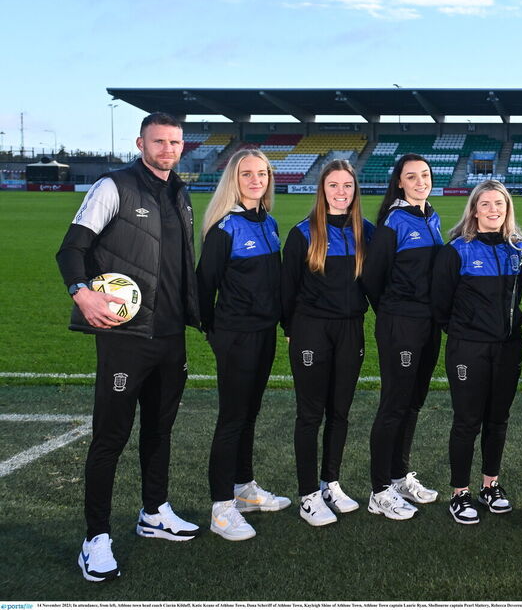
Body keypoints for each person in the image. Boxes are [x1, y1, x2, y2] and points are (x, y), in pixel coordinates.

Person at [56, 112, 201, 581]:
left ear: (183, 147)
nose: (167, 149)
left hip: (171, 336)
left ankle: (154, 512)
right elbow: (71, 249)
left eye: (175, 142)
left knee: (159, 431)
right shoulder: (112, 187)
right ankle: (95, 538)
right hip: (126, 339)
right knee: (110, 439)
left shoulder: (181, 193)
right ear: (141, 143)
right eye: (159, 141)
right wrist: (82, 291)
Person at [197, 148, 292, 541]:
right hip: (235, 336)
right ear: (233, 180)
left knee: (250, 412)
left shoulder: (268, 223)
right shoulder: (224, 228)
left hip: (264, 333)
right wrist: (215, 334)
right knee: (232, 418)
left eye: (262, 174)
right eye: (247, 174)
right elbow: (203, 288)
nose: (256, 180)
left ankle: (243, 488)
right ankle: (221, 508)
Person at [281, 159, 374, 527]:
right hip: (311, 330)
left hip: (351, 329)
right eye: (333, 185)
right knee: (310, 414)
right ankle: (307, 495)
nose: (341, 192)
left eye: (347, 186)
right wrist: (292, 329)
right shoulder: (303, 233)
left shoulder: (367, 231)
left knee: (340, 412)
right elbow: (286, 288)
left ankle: (329, 482)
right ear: (322, 189)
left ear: (355, 190)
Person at [431, 180, 522, 525]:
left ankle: (491, 485)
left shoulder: (518, 251)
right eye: (485, 204)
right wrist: (468, 332)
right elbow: (440, 304)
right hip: (468, 350)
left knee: (498, 420)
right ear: (473, 210)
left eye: (499, 204)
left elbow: (516, 300)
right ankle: (459, 492)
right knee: (467, 421)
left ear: (507, 209)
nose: (493, 210)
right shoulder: (457, 250)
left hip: (508, 348)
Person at [362, 154, 443, 521]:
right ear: (400, 183)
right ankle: (379, 490)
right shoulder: (394, 221)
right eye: (412, 177)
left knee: (413, 402)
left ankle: (398, 475)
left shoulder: (432, 217)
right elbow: (372, 278)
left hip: (428, 325)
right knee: (394, 405)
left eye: (424, 175)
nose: (420, 181)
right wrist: (395, 314)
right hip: (402, 326)